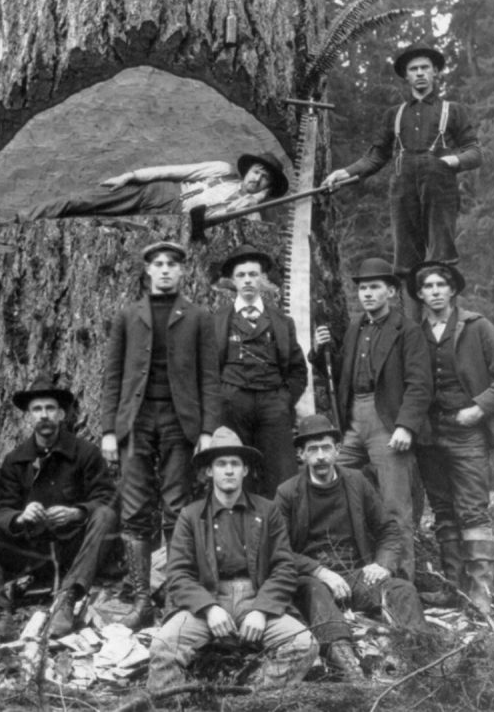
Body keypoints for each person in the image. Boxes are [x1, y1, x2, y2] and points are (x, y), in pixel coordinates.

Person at [101, 240, 221, 628]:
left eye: (172, 263)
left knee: (178, 506)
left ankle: (174, 597)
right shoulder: (127, 316)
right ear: (148, 270)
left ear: (183, 271)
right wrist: (108, 430)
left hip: (178, 421)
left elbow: (210, 378)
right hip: (135, 421)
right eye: (158, 263)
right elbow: (112, 377)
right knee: (134, 509)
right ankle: (142, 603)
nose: (166, 269)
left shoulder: (198, 317)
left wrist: (207, 430)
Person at [147, 427, 317, 691]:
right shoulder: (191, 516)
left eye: (235, 464)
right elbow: (178, 574)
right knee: (163, 645)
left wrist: (262, 610)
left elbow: (284, 567)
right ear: (209, 471)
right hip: (208, 600)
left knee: (304, 644)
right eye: (221, 464)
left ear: (245, 470)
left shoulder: (267, 511)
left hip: (256, 597)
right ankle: (175, 702)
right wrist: (209, 608)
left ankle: (255, 698)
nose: (229, 471)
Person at [277, 415, 430, 680]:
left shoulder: (356, 482)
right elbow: (279, 549)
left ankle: (422, 660)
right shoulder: (288, 493)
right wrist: (320, 572)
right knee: (314, 591)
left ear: (338, 450)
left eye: (326, 448)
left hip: (356, 575)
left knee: (402, 590)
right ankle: (348, 667)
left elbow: (388, 529)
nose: (321, 456)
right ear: (301, 455)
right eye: (313, 449)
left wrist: (383, 564)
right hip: (312, 581)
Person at [0, 377, 117, 640]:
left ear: (61, 414)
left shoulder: (85, 453)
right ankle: (2, 616)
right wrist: (19, 517)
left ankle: (67, 600)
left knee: (105, 515)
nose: (43, 415)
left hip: (73, 549)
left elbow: (107, 498)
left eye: (50, 408)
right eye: (37, 409)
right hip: (29, 552)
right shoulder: (16, 460)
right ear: (29, 416)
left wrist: (78, 512)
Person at [313, 258, 432, 579]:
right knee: (334, 487)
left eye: (374, 287)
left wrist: (406, 425)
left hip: (389, 423)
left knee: (395, 506)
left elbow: (420, 384)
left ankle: (402, 581)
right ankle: (348, 572)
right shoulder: (356, 329)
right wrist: (321, 350)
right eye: (363, 288)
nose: (366, 293)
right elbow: (341, 375)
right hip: (353, 421)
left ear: (391, 292)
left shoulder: (407, 330)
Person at [412, 262, 494, 614]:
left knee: (472, 511)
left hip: (468, 433)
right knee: (443, 512)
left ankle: (481, 592)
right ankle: (453, 588)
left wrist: (478, 409)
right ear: (419, 294)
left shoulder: (477, 326)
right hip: (429, 435)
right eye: (428, 286)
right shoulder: (414, 332)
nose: (435, 291)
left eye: (441, 285)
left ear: (452, 290)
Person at [322, 43, 481, 274]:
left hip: (440, 189)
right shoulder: (394, 115)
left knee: (442, 258)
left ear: (435, 71)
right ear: (406, 76)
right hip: (402, 190)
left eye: (425, 67)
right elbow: (376, 156)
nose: (420, 73)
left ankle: (440, 296)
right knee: (406, 262)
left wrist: (452, 161)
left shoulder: (453, 110)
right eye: (414, 69)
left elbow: (475, 153)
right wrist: (345, 173)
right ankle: (410, 297)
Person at [214, 244, 306, 497]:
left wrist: (284, 400)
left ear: (263, 278)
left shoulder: (282, 322)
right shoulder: (217, 321)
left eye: (253, 274)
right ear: (233, 280)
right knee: (233, 470)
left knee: (282, 476)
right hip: (232, 406)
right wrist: (223, 398)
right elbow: (207, 370)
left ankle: (279, 521)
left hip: (273, 406)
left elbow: (298, 370)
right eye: (241, 275)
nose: (247, 280)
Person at [17, 151, 289, 222]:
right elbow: (173, 170)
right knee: (85, 201)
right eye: (257, 171)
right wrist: (131, 176)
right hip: (163, 193)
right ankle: (20, 219)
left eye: (264, 178)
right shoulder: (222, 170)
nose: (257, 179)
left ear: (268, 187)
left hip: (175, 221)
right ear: (249, 169)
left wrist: (252, 203)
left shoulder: (250, 214)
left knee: (100, 224)